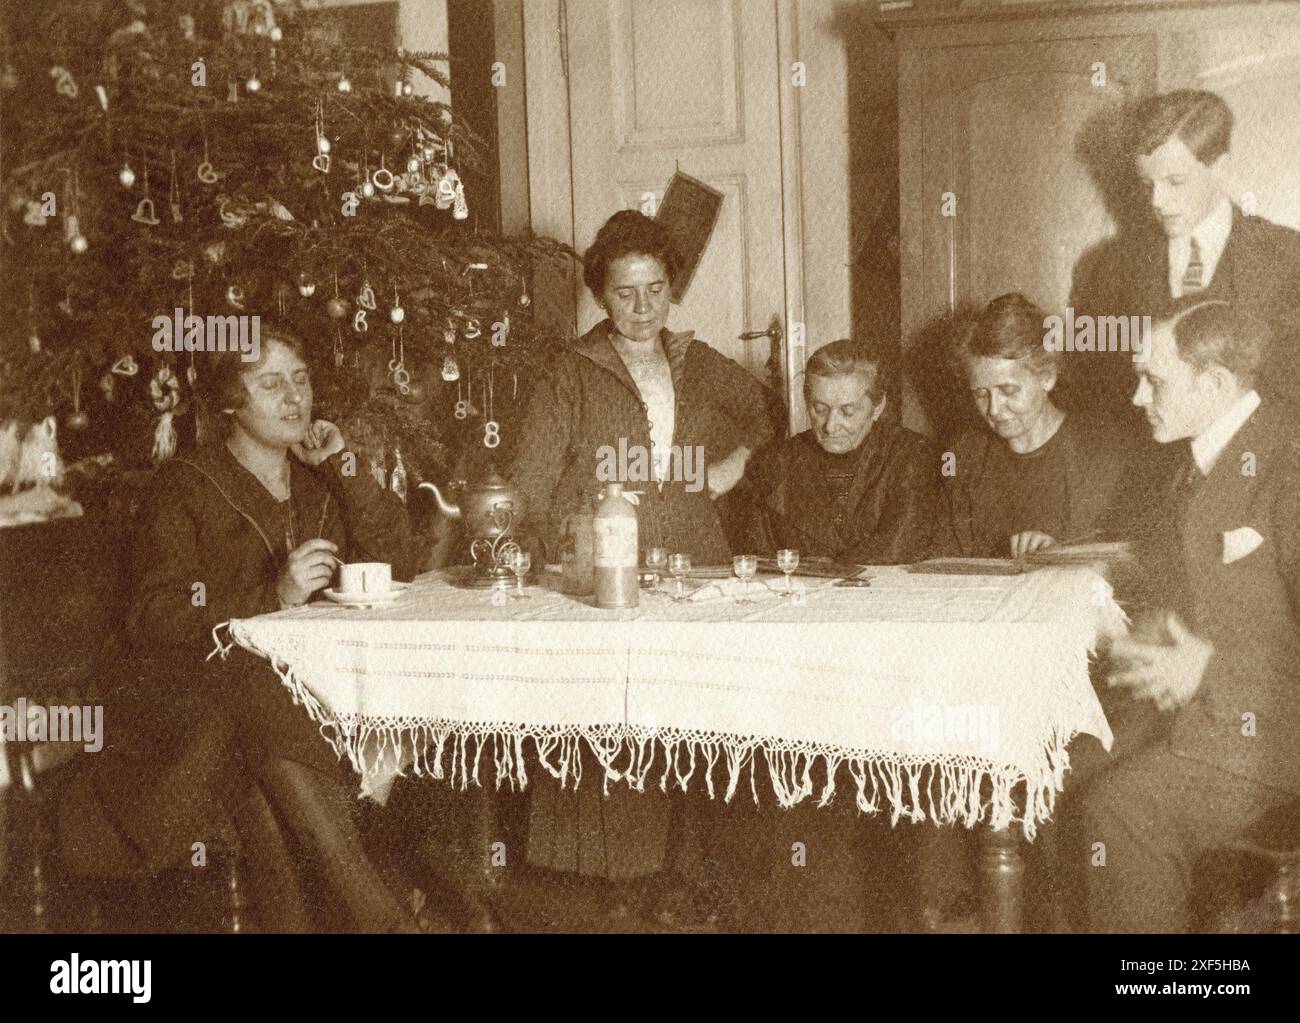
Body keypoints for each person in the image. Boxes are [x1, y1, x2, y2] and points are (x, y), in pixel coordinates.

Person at [59, 327, 428, 932]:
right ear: (231, 401)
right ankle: (387, 922)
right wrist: (273, 595)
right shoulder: (184, 484)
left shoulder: (316, 484)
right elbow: (154, 616)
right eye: (271, 383)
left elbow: (399, 560)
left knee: (257, 764)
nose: (294, 398)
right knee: (250, 693)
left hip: (274, 711)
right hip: (178, 701)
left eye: (301, 379)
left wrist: (341, 463)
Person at [508, 209, 776, 915]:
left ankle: (686, 880)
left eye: (655, 288)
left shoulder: (696, 358)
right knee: (616, 719)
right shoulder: (572, 370)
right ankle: (612, 887)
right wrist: (549, 551)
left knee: (695, 718)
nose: (642, 306)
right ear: (601, 295)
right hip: (605, 567)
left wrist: (734, 463)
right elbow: (529, 481)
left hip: (695, 561)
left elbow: (765, 413)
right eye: (625, 292)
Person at [1081, 301, 1300, 932]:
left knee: (1123, 809)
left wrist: (1210, 666)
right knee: (1070, 766)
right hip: (1219, 719)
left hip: (1276, 741)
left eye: (1153, 379)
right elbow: (1215, 603)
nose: (1134, 396)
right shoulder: (1202, 458)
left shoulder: (1287, 462)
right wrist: (1137, 631)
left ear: (1213, 385)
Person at [1070, 89, 1300, 415]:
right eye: (1147, 184)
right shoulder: (1106, 268)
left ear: (1219, 168)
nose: (1157, 201)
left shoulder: (1288, 258)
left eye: (1175, 181)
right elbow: (1094, 394)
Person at [940, 293, 1139, 559]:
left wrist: (1061, 555)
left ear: (1046, 377)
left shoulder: (1099, 448)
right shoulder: (965, 452)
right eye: (980, 394)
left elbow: (1124, 557)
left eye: (1008, 390)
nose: (994, 409)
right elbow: (946, 553)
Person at [744, 338, 938, 564]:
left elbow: (898, 546)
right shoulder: (778, 461)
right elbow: (757, 555)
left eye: (847, 411)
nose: (830, 426)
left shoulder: (912, 455)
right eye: (819, 409)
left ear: (878, 407)